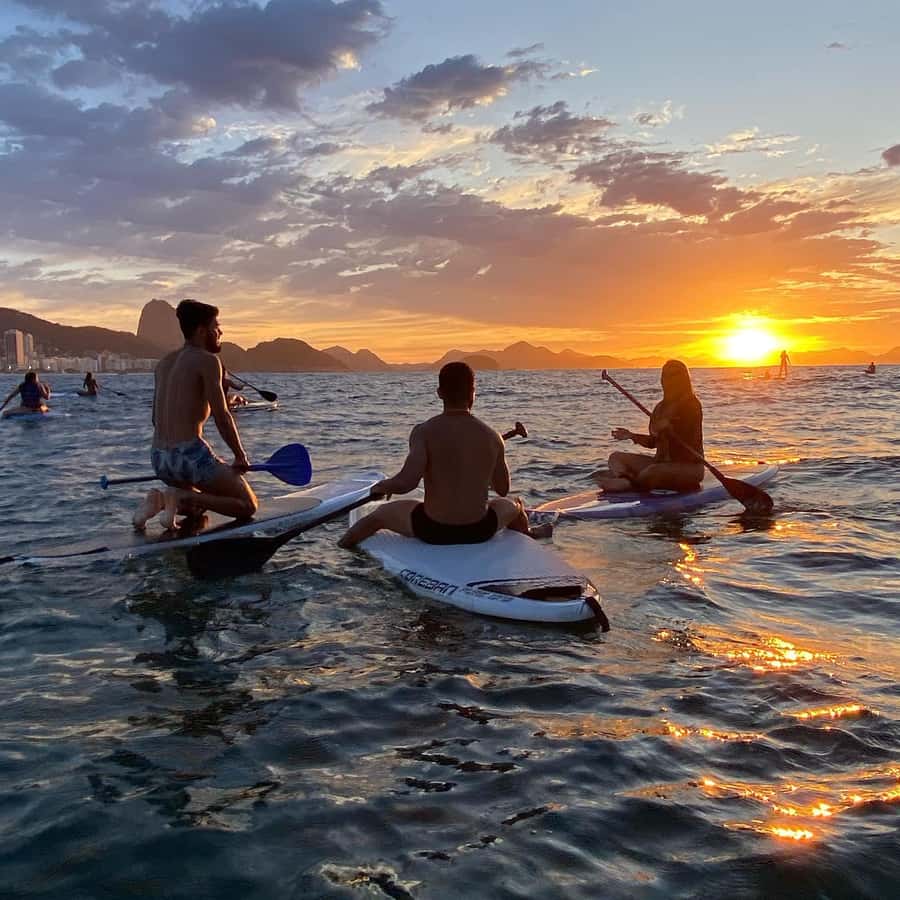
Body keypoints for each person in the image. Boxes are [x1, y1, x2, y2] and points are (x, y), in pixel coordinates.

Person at [339, 362, 547, 548]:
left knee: (377, 516)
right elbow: (502, 489)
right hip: (480, 530)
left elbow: (406, 483)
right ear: (473, 393)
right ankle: (528, 533)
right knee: (515, 503)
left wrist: (381, 486)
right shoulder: (493, 437)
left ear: (439, 392)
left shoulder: (424, 431)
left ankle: (342, 546)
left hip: (433, 530)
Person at [132, 299, 258, 531]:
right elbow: (222, 416)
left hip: (158, 457)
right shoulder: (208, 360)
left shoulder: (163, 364)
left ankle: (159, 501)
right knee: (247, 505)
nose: (220, 331)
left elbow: (154, 419)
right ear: (202, 331)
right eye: (216, 327)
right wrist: (240, 456)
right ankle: (178, 496)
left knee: (197, 506)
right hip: (188, 455)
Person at [594, 359, 704, 493]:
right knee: (615, 457)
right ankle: (625, 479)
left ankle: (629, 484)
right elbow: (654, 442)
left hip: (689, 468)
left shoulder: (692, 405)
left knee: (653, 471)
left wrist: (671, 427)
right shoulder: (660, 408)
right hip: (661, 463)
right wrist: (632, 436)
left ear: (683, 379)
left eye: (673, 375)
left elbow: (689, 439)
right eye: (665, 375)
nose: (668, 380)